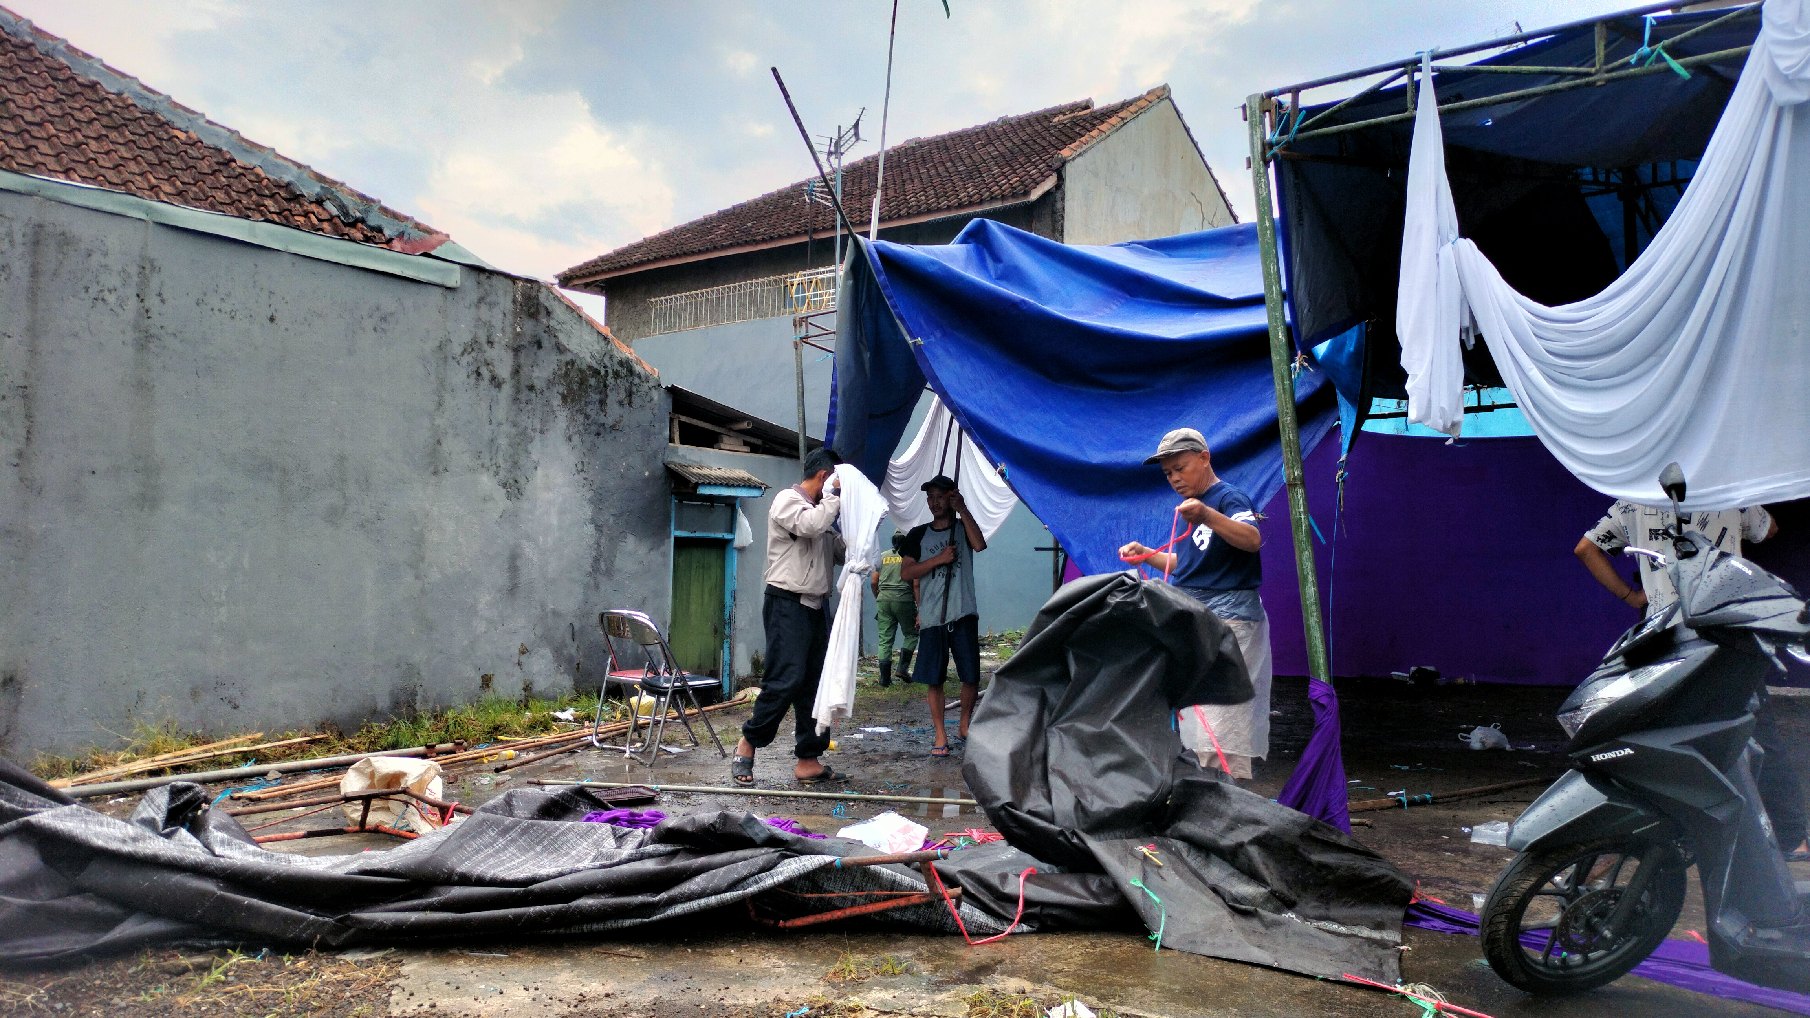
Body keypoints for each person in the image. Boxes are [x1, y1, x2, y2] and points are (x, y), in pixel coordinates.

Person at [1577, 500, 1809, 860]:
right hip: (1725, 636)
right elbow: (1769, 529)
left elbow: (1586, 548)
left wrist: (1631, 595)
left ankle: (1673, 830)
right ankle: (1792, 837)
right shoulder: (1730, 495)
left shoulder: (1633, 500)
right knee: (1754, 729)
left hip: (1663, 637)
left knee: (1665, 737)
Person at [1118, 428, 1271, 781]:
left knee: (1220, 722)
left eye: (1180, 467)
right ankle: (1204, 800)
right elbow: (1190, 567)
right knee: (1196, 721)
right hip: (1197, 620)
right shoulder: (1195, 510)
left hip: (1231, 623)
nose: (1174, 478)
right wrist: (1147, 555)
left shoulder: (1228, 498)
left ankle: (1226, 805)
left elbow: (1252, 539)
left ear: (1204, 458)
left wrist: (1207, 516)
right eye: (1168, 473)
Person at [731, 449, 842, 787]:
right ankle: (747, 744)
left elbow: (837, 550)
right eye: (834, 482)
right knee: (785, 679)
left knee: (814, 685)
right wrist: (835, 500)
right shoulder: (787, 501)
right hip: (786, 605)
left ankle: (809, 759)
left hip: (816, 607)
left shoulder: (822, 513)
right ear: (824, 477)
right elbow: (811, 526)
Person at [899, 475, 987, 757]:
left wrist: (962, 509)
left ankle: (964, 725)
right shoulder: (917, 535)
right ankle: (940, 735)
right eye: (931, 497)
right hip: (933, 617)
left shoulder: (962, 529)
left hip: (962, 613)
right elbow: (907, 572)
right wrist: (939, 559)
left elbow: (980, 544)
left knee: (970, 675)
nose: (934, 502)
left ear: (951, 497)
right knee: (933, 678)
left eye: (940, 496)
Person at [871, 532, 918, 688]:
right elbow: (915, 583)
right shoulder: (910, 557)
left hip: (883, 599)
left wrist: (879, 596)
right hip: (904, 599)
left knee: (885, 639)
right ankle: (902, 669)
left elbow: (873, 581)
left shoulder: (883, 556)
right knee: (911, 634)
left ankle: (884, 679)